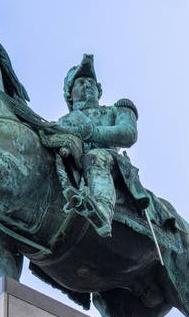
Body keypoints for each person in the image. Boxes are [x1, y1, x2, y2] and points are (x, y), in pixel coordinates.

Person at [56, 54, 153, 237]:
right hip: (72, 161)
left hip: (108, 160)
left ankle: (102, 210)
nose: (87, 85)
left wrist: (91, 132)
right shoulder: (60, 123)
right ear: (70, 93)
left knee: (95, 157)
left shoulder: (116, 109)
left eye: (91, 82)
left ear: (99, 89)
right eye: (81, 82)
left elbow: (128, 134)